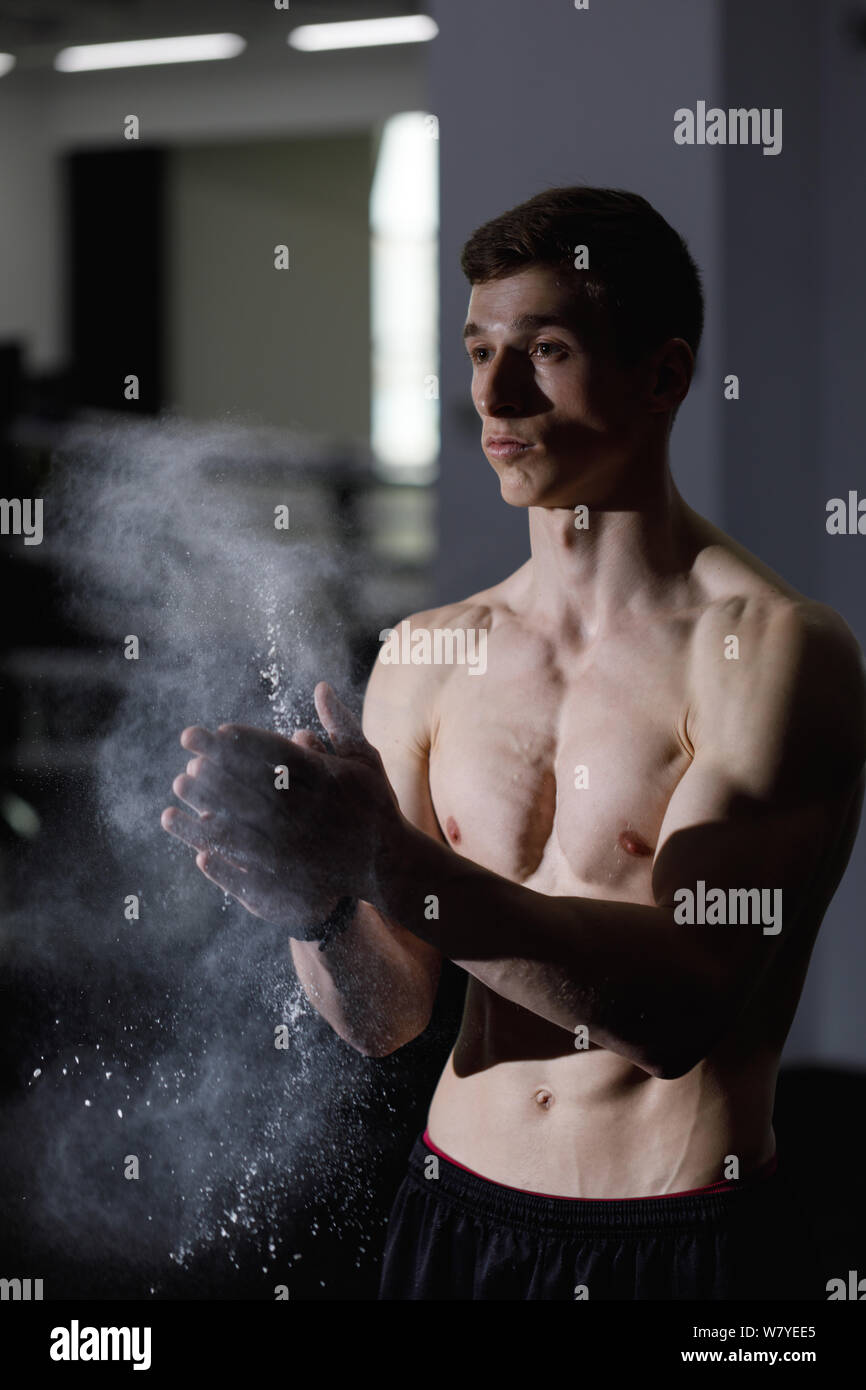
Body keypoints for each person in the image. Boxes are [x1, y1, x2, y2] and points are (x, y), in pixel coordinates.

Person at [161, 187, 866, 1300]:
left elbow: (676, 1009)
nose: (491, 393)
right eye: (478, 349)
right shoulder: (432, 652)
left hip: (677, 1239)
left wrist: (380, 853)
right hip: (452, 1214)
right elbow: (388, 1018)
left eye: (544, 350)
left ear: (663, 374)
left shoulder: (772, 650)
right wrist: (318, 898)